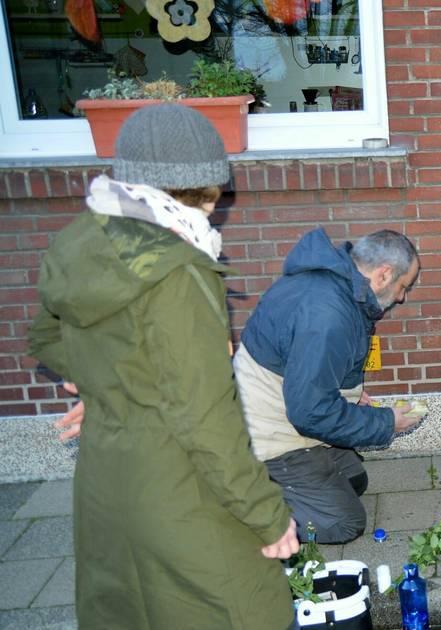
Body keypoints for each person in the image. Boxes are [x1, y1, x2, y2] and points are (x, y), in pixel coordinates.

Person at [26, 103, 298, 629]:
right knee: (243, 611)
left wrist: (106, 387)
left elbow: (45, 335)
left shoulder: (81, 239)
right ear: (201, 185)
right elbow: (206, 420)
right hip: (179, 490)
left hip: (105, 482)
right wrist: (267, 516)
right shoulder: (179, 271)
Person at [234, 227, 424, 544]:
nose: (402, 297)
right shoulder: (328, 313)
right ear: (384, 274)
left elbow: (310, 366)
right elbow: (310, 412)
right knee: (344, 522)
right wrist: (387, 422)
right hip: (268, 434)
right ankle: (239, 504)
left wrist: (351, 394)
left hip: (286, 409)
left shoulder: (335, 285)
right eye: (404, 286)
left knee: (355, 479)